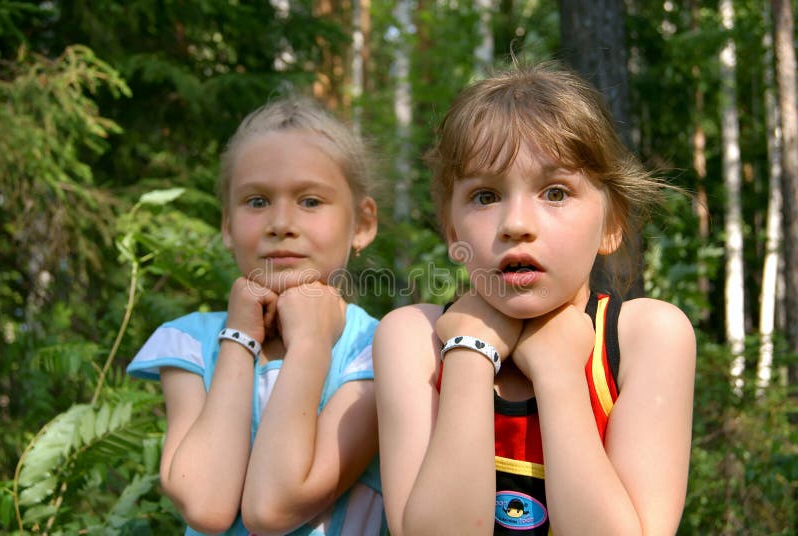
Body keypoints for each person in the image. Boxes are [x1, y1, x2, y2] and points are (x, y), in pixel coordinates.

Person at [373, 62, 695, 536]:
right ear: (452, 230)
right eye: (486, 196)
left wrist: (560, 373)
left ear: (611, 224)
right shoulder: (416, 339)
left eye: (556, 192)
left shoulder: (645, 338)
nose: (516, 224)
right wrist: (470, 354)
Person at [127, 97, 384, 536]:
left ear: (361, 224)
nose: (280, 223)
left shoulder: (380, 351)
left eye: (310, 201)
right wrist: (239, 338)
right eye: (257, 201)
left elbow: (273, 510)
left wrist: (310, 344)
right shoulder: (190, 345)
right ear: (228, 226)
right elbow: (205, 506)